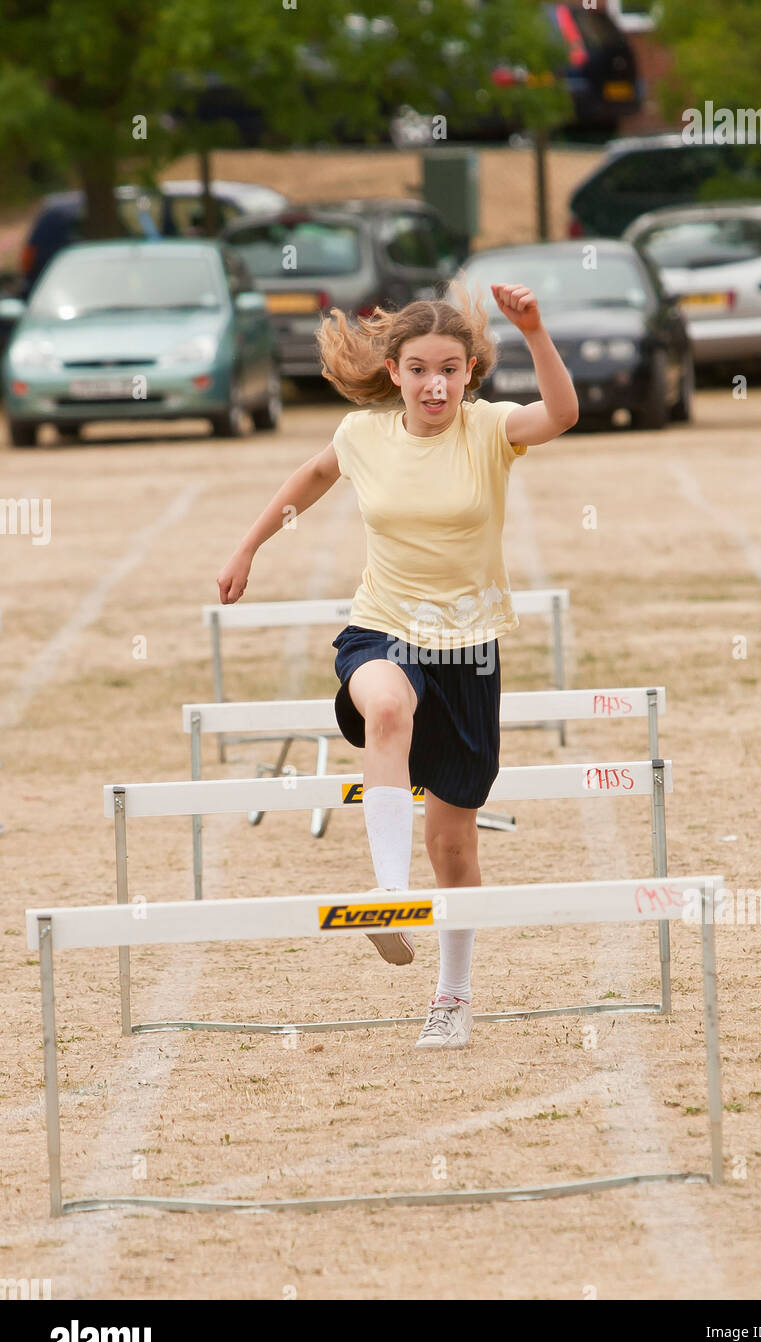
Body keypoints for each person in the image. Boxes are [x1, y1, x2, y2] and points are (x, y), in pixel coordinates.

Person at [216, 276, 578, 1049]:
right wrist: (249, 545)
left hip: (468, 651)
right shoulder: (362, 436)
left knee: (454, 842)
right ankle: (387, 892)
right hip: (382, 629)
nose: (434, 383)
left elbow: (562, 415)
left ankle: (452, 994)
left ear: (469, 372)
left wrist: (537, 333)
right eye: (419, 369)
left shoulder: (490, 430)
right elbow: (309, 478)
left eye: (449, 368)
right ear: (395, 375)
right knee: (384, 707)